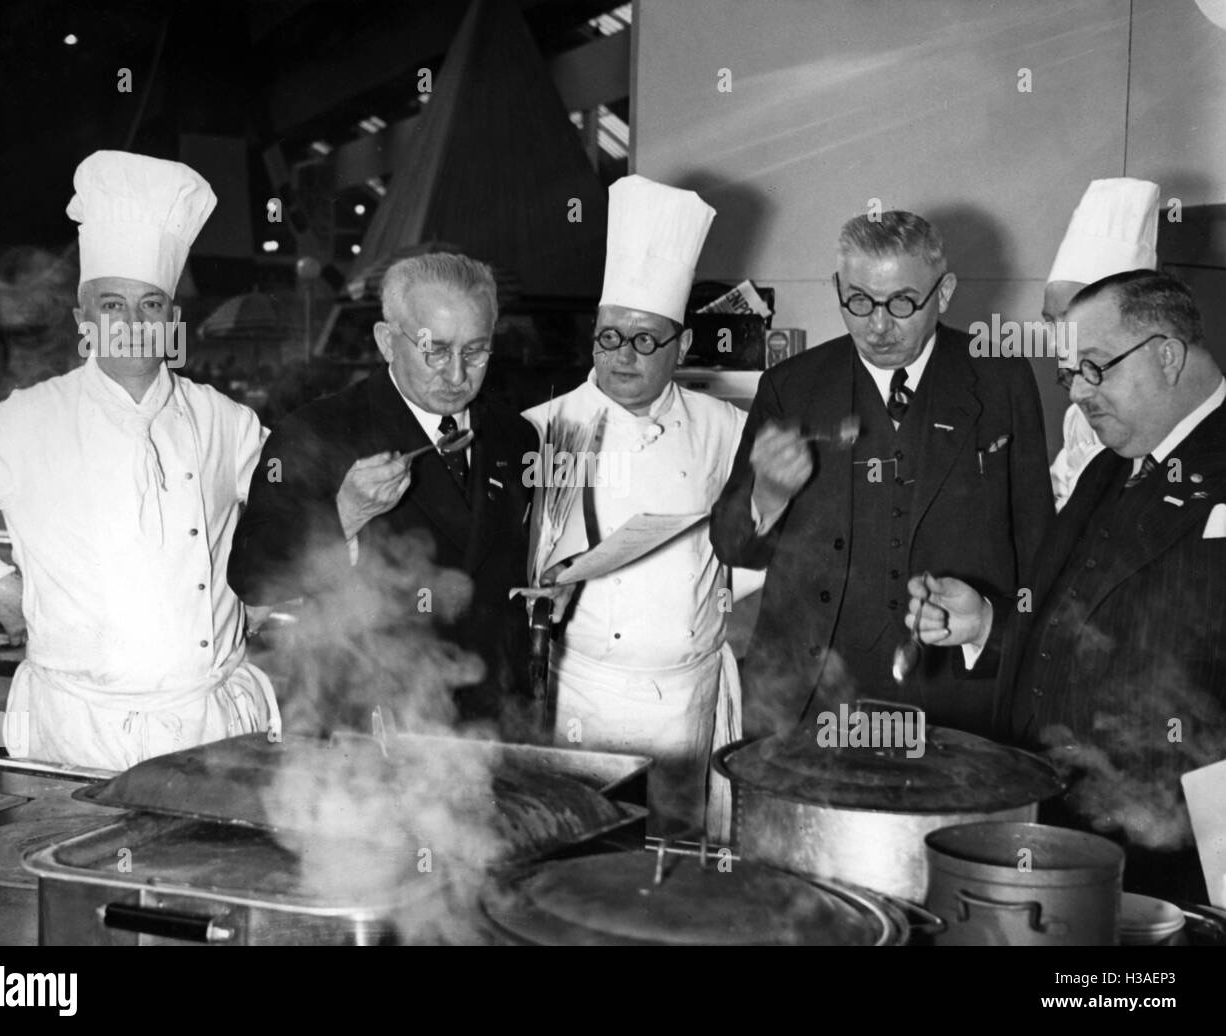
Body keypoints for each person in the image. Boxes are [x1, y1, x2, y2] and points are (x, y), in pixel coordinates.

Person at [0, 150, 279, 770]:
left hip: (209, 728)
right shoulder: (27, 421)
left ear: (171, 316)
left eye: (150, 304)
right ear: (84, 319)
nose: (133, 323)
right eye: (112, 304)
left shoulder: (231, 422)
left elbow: (290, 522)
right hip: (75, 730)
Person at [906, 270, 1225, 903]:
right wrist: (986, 626)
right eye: (1068, 374)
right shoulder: (1108, 469)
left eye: (1095, 368)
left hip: (1176, 843)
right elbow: (1086, 626)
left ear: (1166, 354)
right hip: (1059, 819)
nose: (1078, 393)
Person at [711, 211, 1052, 737]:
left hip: (954, 697)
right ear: (837, 289)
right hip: (808, 698)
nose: (878, 325)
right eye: (859, 302)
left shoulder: (1001, 380)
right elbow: (731, 545)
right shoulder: (791, 386)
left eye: (902, 303)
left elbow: (1036, 545)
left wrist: (995, 627)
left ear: (944, 292)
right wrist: (768, 497)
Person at [522, 175, 761, 838]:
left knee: (677, 864)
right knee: (585, 857)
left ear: (682, 347)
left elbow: (753, 556)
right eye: (609, 337)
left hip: (689, 693)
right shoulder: (544, 426)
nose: (623, 356)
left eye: (646, 339)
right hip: (584, 693)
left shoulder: (727, 426)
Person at [228, 253, 536, 734]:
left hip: (490, 715)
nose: (457, 376)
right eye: (435, 350)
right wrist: (345, 514)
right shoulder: (317, 431)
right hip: (366, 715)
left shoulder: (514, 435)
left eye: (475, 351)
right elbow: (251, 572)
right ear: (387, 341)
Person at [1045, 178, 1160, 508]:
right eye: (1049, 321)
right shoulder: (1079, 417)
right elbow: (1057, 497)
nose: (1056, 343)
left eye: (1067, 320)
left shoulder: (1164, 410)